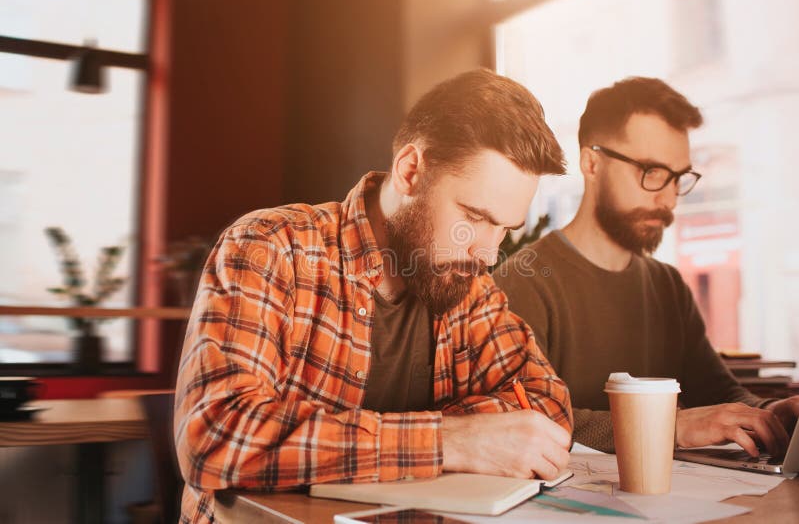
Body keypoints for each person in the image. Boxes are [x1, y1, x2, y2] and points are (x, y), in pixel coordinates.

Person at [174, 69, 574, 524]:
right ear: (410, 171)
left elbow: (547, 403)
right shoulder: (271, 246)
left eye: (504, 227)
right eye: (475, 216)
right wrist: (452, 441)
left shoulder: (466, 285)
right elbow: (216, 436)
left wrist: (474, 437)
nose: (487, 252)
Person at [493, 76, 799, 455]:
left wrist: (775, 413)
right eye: (652, 172)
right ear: (591, 163)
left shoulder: (667, 285)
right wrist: (668, 427)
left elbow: (720, 395)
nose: (669, 198)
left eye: (678, 177)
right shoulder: (522, 283)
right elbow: (520, 418)